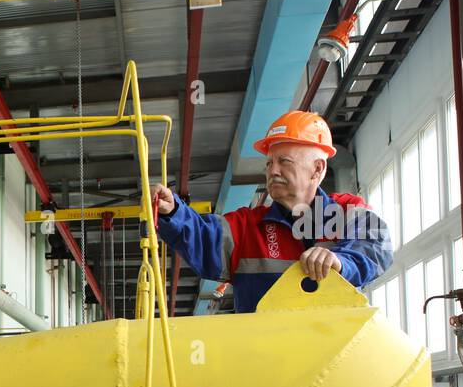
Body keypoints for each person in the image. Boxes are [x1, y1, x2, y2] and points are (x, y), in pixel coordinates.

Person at [153, 110, 393, 313]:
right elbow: (202, 236)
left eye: (284, 161)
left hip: (337, 360)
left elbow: (375, 246)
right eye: (269, 163)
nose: (272, 171)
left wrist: (341, 261)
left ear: (317, 169)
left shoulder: (347, 211)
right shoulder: (247, 228)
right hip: (268, 362)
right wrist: (172, 212)